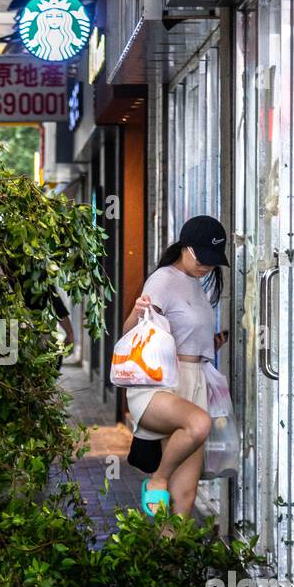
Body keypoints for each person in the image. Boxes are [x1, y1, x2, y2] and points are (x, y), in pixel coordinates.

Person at [124, 215, 230, 518]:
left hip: (195, 381)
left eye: (213, 260)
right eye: (202, 257)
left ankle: (169, 563)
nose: (207, 266)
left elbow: (186, 335)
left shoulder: (198, 285)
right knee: (198, 424)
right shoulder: (163, 279)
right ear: (185, 247)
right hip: (163, 383)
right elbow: (131, 334)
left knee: (184, 498)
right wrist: (135, 312)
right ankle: (158, 477)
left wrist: (211, 343)